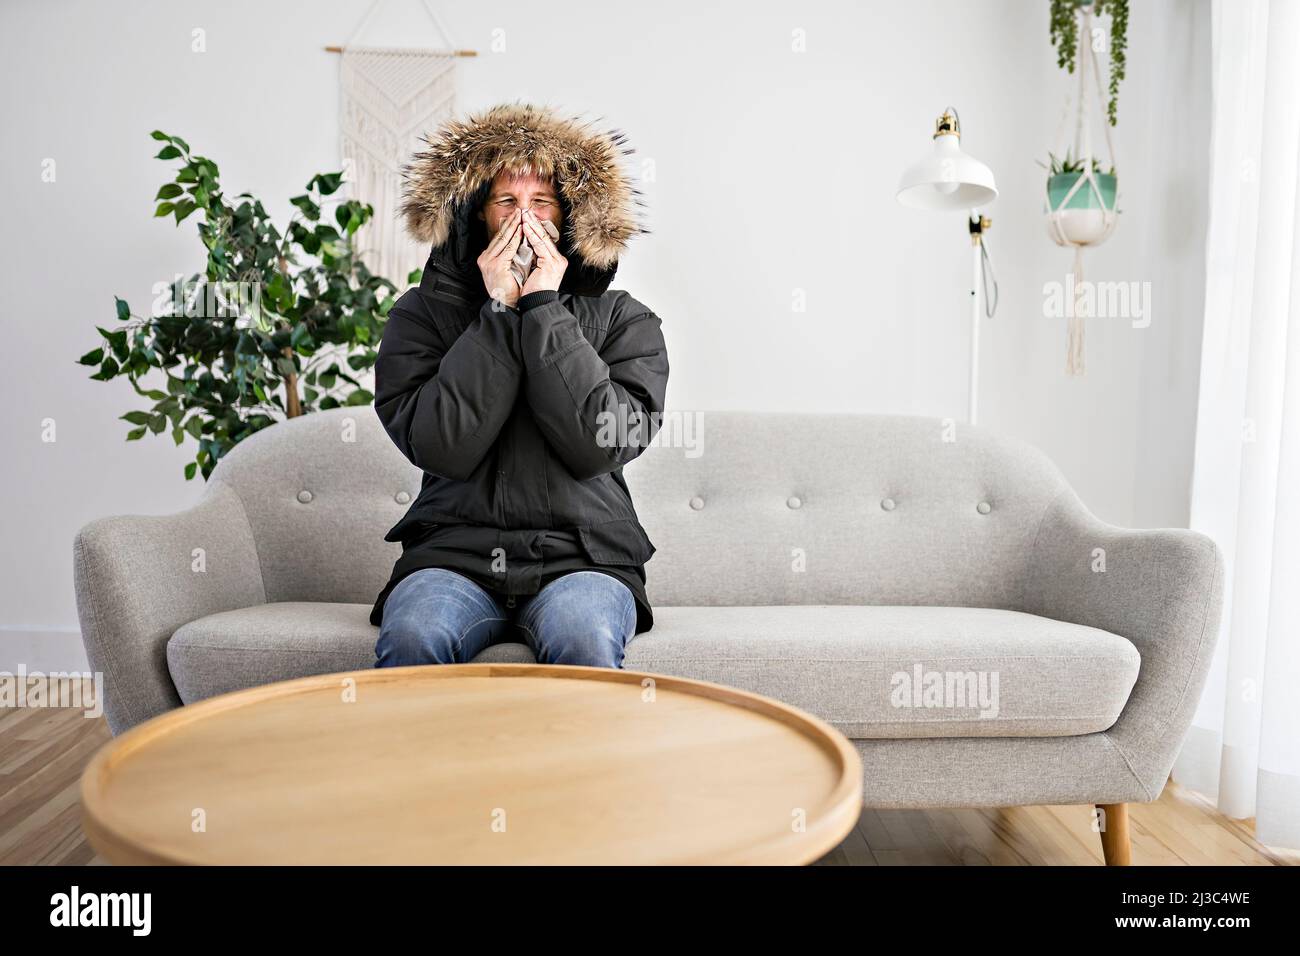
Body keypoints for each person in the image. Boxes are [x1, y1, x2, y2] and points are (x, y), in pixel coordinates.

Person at [369, 102, 669, 670]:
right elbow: (441, 445)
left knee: (583, 638)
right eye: (506, 202)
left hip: (584, 559)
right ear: (474, 215)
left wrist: (543, 308)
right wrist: (501, 311)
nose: (522, 220)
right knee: (412, 636)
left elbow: (598, 444)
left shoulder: (628, 321)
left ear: (573, 217)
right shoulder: (420, 316)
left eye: (542, 203)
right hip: (452, 556)